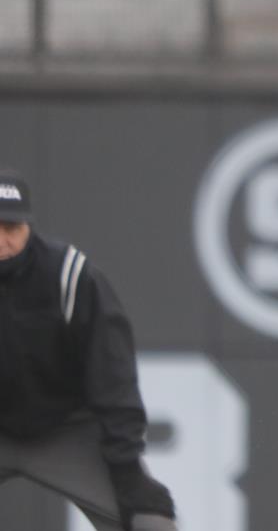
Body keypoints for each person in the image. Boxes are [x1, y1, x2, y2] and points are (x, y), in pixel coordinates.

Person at [0, 173, 180, 531]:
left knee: (150, 524)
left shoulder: (66, 274)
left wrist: (127, 468)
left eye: (12, 227)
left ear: (29, 228)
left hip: (67, 430)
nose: (2, 239)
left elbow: (112, 375)